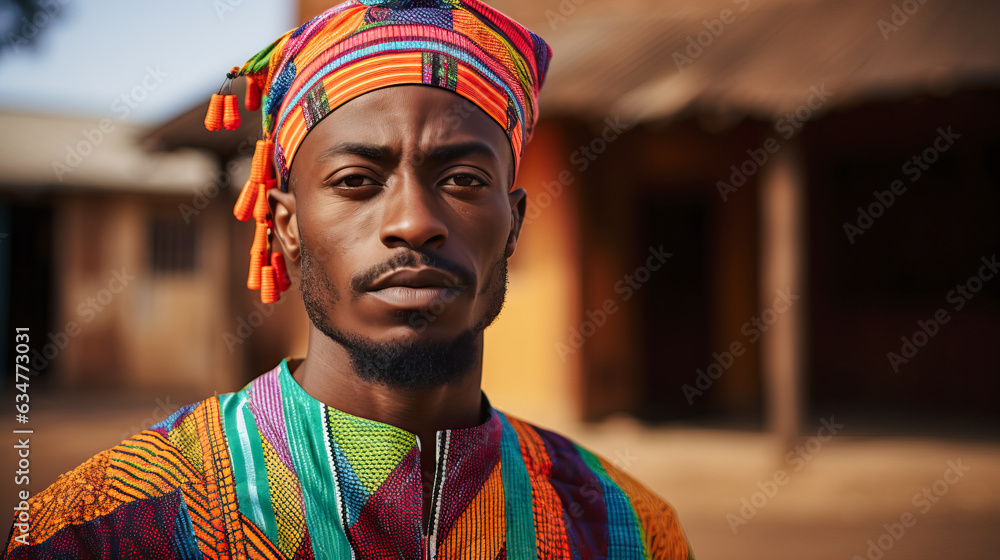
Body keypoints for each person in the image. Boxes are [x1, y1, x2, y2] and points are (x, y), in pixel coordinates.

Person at [4, 1, 692, 558]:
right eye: (357, 181)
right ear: (285, 225)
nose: (415, 222)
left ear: (513, 222)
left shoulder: (626, 529)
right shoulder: (106, 529)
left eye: (462, 179)